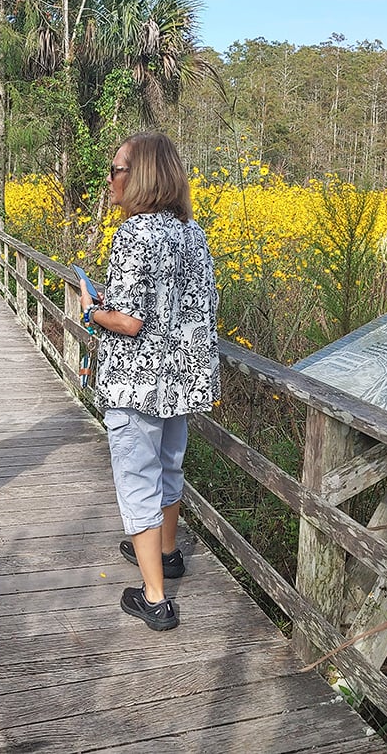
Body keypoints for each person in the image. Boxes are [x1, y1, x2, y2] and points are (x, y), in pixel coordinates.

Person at [79, 132, 220, 631]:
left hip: (138, 384)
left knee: (137, 482)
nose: (111, 180)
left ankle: (155, 597)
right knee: (169, 468)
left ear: (139, 177)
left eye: (117, 170)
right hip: (180, 383)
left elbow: (129, 321)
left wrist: (93, 308)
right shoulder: (193, 233)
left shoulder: (134, 234)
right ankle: (168, 551)